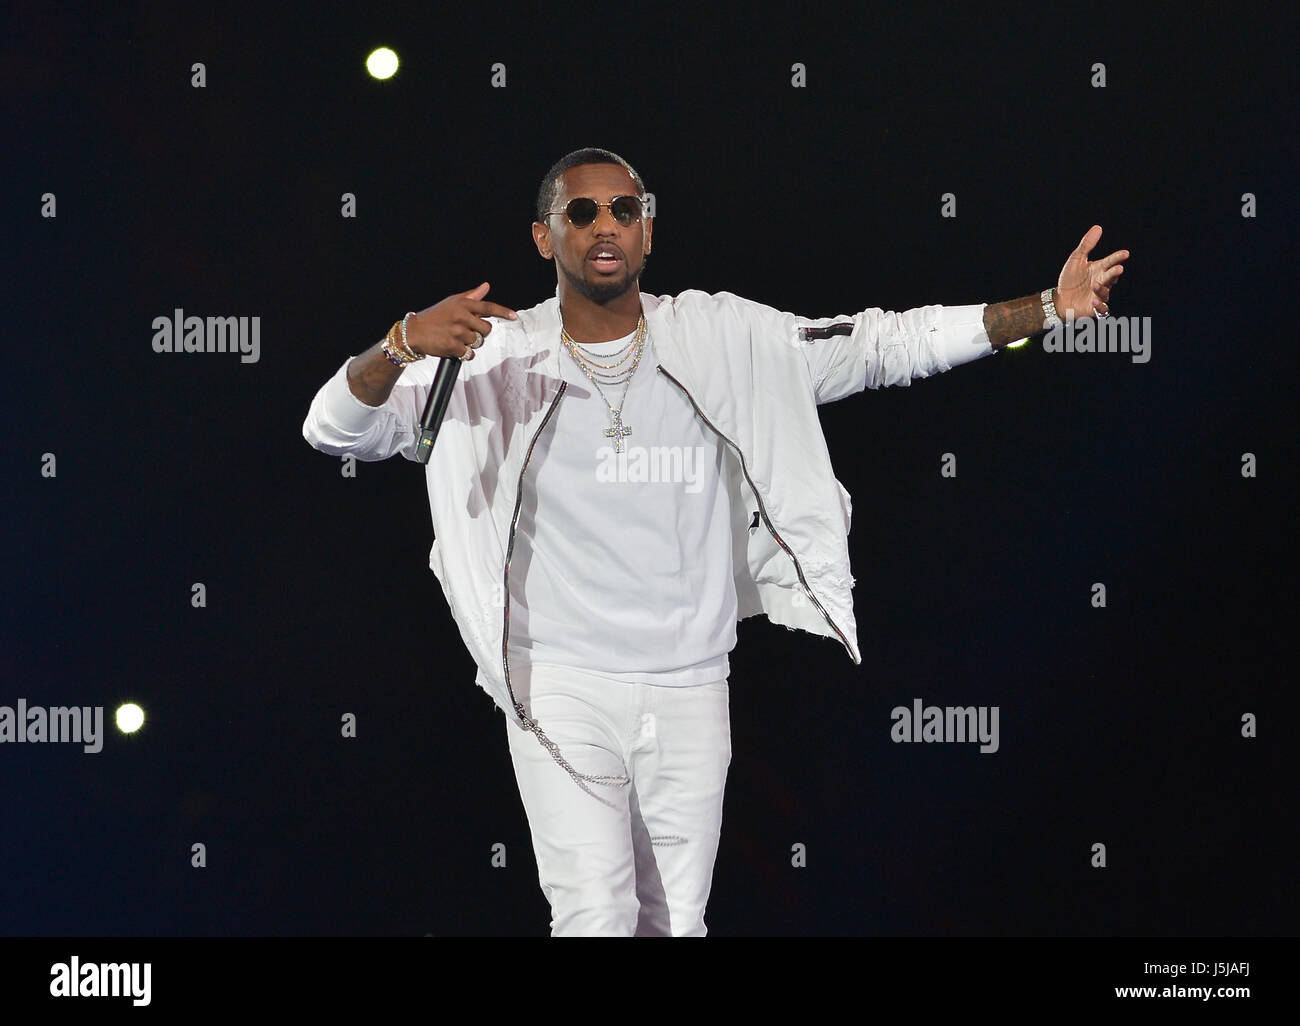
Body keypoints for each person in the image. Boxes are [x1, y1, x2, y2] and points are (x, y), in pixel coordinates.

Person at [302, 146, 1129, 936]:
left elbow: (882, 345)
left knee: (674, 925)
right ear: (542, 235)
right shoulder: (488, 356)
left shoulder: (722, 337)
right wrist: (402, 341)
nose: (605, 226)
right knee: (595, 916)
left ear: (648, 228)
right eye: (580, 211)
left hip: (692, 683)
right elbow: (333, 430)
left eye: (624, 210)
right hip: (559, 683)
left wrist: (1048, 309)